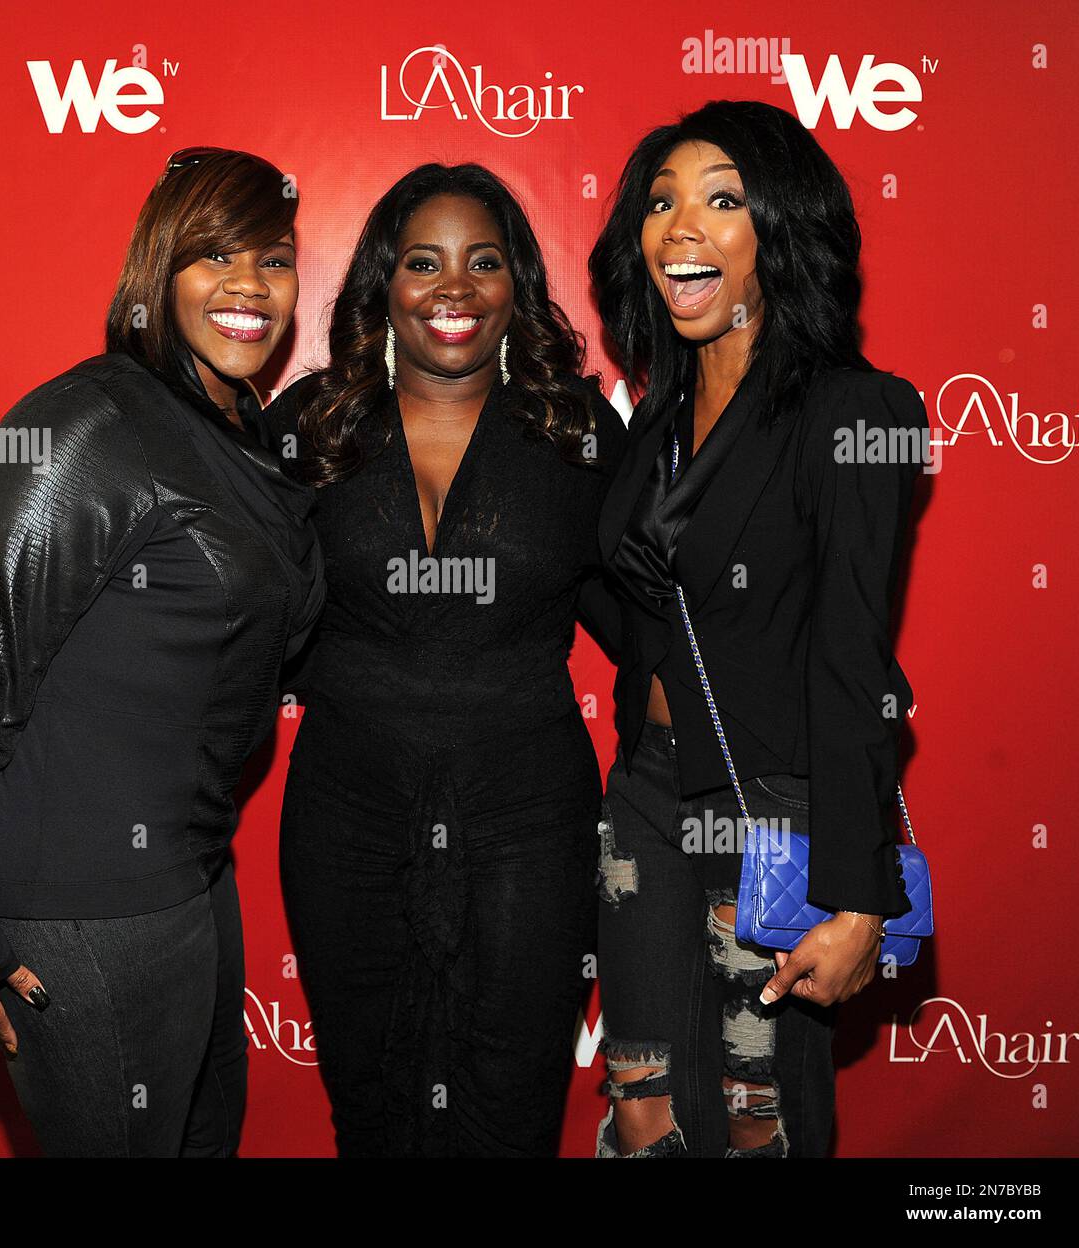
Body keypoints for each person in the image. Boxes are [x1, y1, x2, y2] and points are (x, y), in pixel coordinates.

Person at [0, 147, 324, 1157]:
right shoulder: (85, 423)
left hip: (186, 877)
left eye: (272, 259)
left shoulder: (233, 429)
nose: (248, 287)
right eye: (214, 255)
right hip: (81, 903)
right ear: (158, 269)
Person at [587, 100, 929, 1157]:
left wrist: (858, 899)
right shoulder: (657, 415)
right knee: (645, 1104)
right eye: (660, 202)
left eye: (720, 200)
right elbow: (643, 605)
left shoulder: (855, 411)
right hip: (644, 792)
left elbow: (853, 665)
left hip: (775, 808)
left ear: (779, 230)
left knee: (757, 1117)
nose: (678, 227)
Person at [266, 163, 627, 1156]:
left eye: (484, 262)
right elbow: (237, 617)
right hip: (348, 814)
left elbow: (646, 621)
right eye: (423, 263)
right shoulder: (309, 430)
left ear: (518, 285)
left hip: (528, 816)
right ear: (383, 280)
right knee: (368, 1092)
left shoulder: (575, 434)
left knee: (512, 1099)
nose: (453, 289)